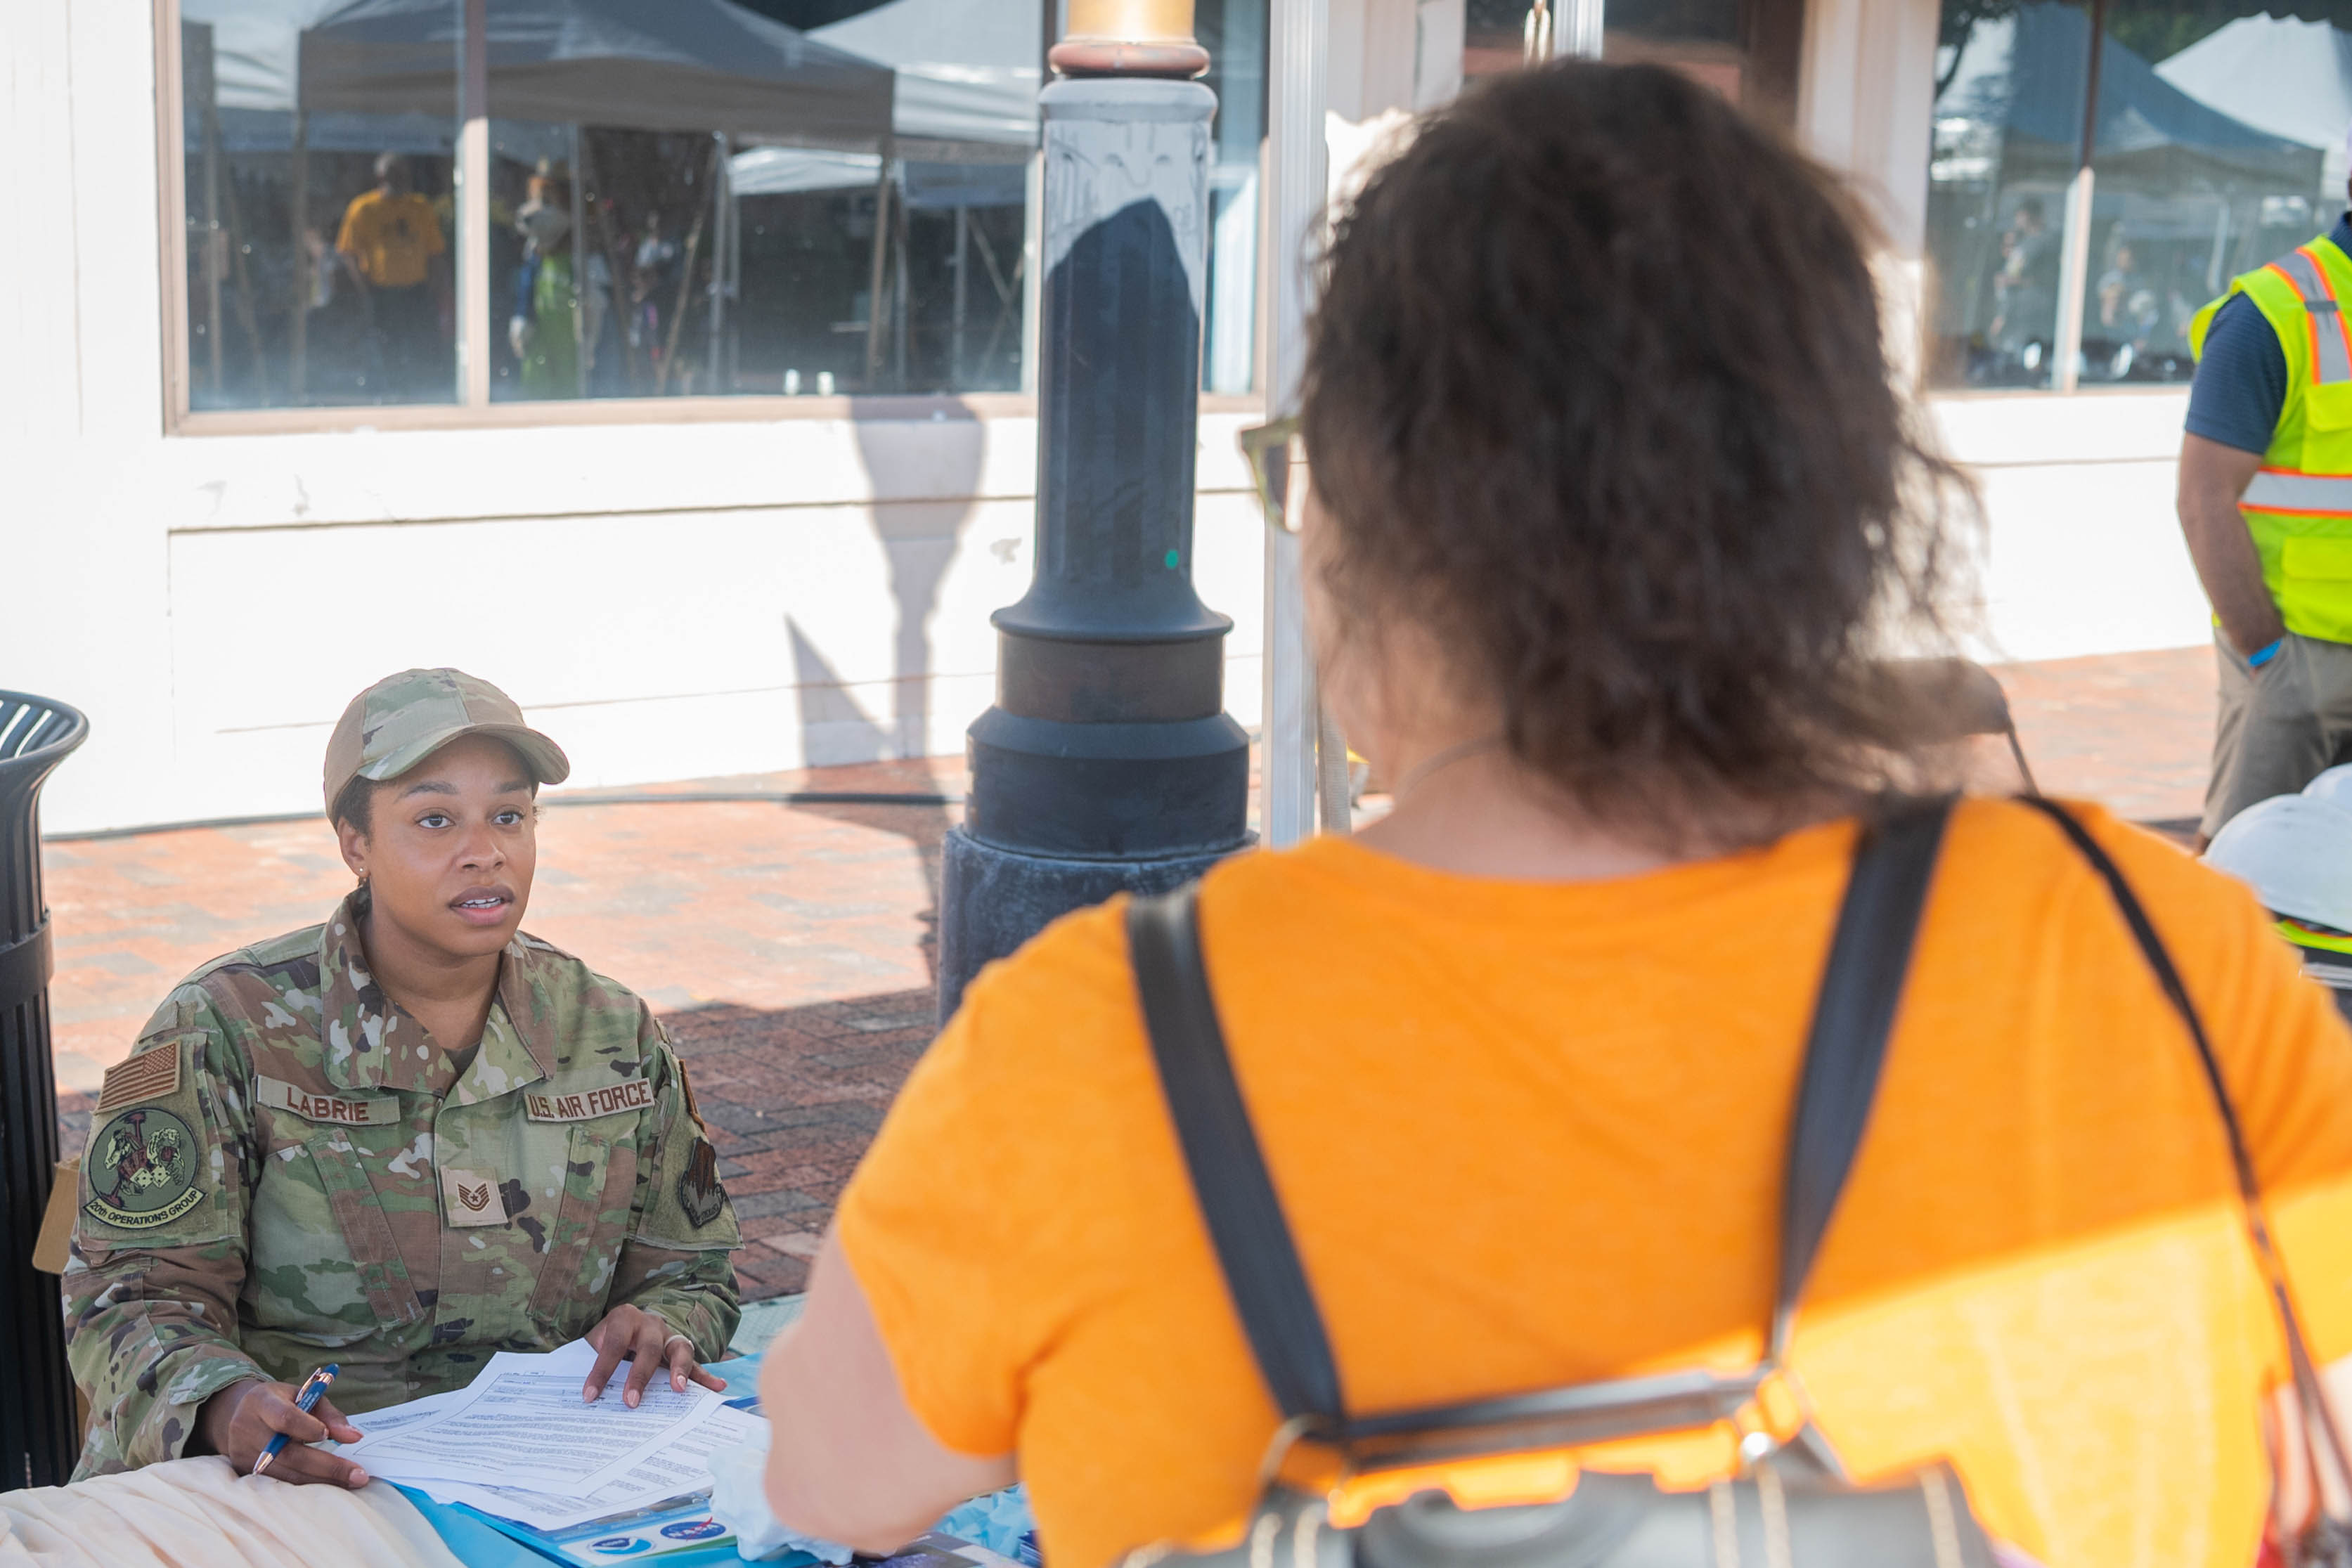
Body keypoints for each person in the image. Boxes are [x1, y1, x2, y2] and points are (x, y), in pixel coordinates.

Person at [756, 61, 2352, 1568]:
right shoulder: (2154, 948)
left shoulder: (1107, 1037)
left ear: (1363, 507)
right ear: (1845, 508)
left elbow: (828, 1473)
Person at [62, 668, 741, 1484]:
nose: (485, 850)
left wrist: (663, 1322)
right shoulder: (225, 1026)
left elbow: (694, 1269)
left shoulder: (611, 1027)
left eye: (510, 814)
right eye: (434, 818)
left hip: (538, 1480)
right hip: (291, 1479)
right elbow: (129, 1294)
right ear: (355, 842)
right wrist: (223, 1402)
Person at [2180, 131, 2352, 844]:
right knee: (2251, 869)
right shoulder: (2271, 314)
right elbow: (2201, 499)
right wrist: (2265, 657)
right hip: (2296, 660)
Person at [335, 153, 452, 400]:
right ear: (381, 177)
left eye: (404, 174)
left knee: (418, 341)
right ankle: (388, 393)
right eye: (395, 174)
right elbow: (348, 252)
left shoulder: (419, 207)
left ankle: (419, 392)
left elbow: (435, 252)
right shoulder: (364, 208)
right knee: (385, 344)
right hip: (381, 292)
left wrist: (438, 284)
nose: (401, 179)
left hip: (416, 291)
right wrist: (363, 286)